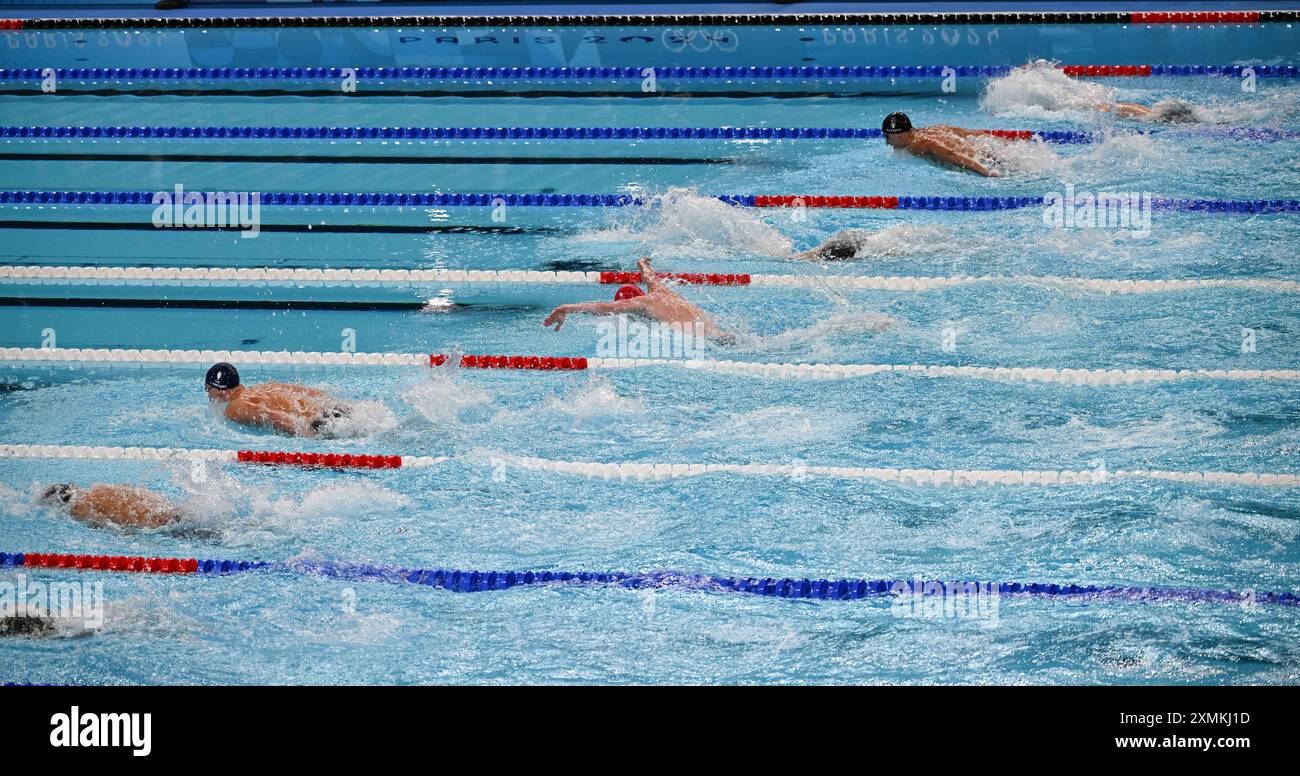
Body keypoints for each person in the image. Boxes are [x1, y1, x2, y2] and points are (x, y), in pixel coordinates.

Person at [543, 257, 729, 339]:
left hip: (706, 341)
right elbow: (649, 276)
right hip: (720, 332)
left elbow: (605, 308)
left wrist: (566, 307)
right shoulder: (662, 291)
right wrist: (641, 263)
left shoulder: (641, 304)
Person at [205, 362, 353, 437]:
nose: (207, 394)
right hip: (332, 408)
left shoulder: (234, 407)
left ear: (221, 391)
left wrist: (308, 435)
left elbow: (275, 417)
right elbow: (296, 389)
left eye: (208, 389)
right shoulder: (256, 389)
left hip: (321, 423)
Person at [880, 112, 1004, 177]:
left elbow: (951, 154)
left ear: (898, 134)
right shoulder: (934, 129)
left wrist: (985, 172)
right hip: (989, 154)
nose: (887, 143)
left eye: (887, 137)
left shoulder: (916, 145)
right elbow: (971, 134)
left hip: (984, 164)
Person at [39, 483, 181, 529]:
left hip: (157, 524)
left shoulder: (79, 508)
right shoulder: (98, 488)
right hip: (165, 509)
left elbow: (109, 525)